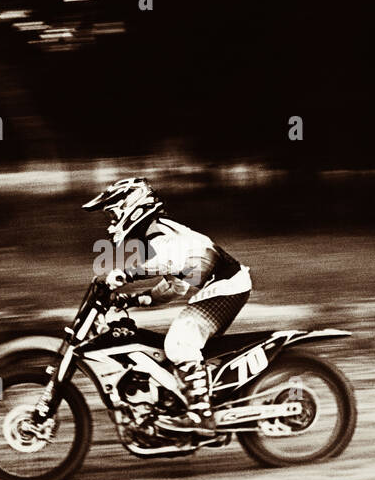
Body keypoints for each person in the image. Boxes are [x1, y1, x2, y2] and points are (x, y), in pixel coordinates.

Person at [83, 177, 252, 435]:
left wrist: (123, 274)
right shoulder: (160, 234)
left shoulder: (161, 234)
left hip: (227, 288)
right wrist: (134, 299)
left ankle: (201, 415)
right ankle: (181, 401)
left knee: (179, 342)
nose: (112, 223)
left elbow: (164, 261)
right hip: (220, 288)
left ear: (131, 206)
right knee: (171, 345)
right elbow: (175, 287)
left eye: (113, 214)